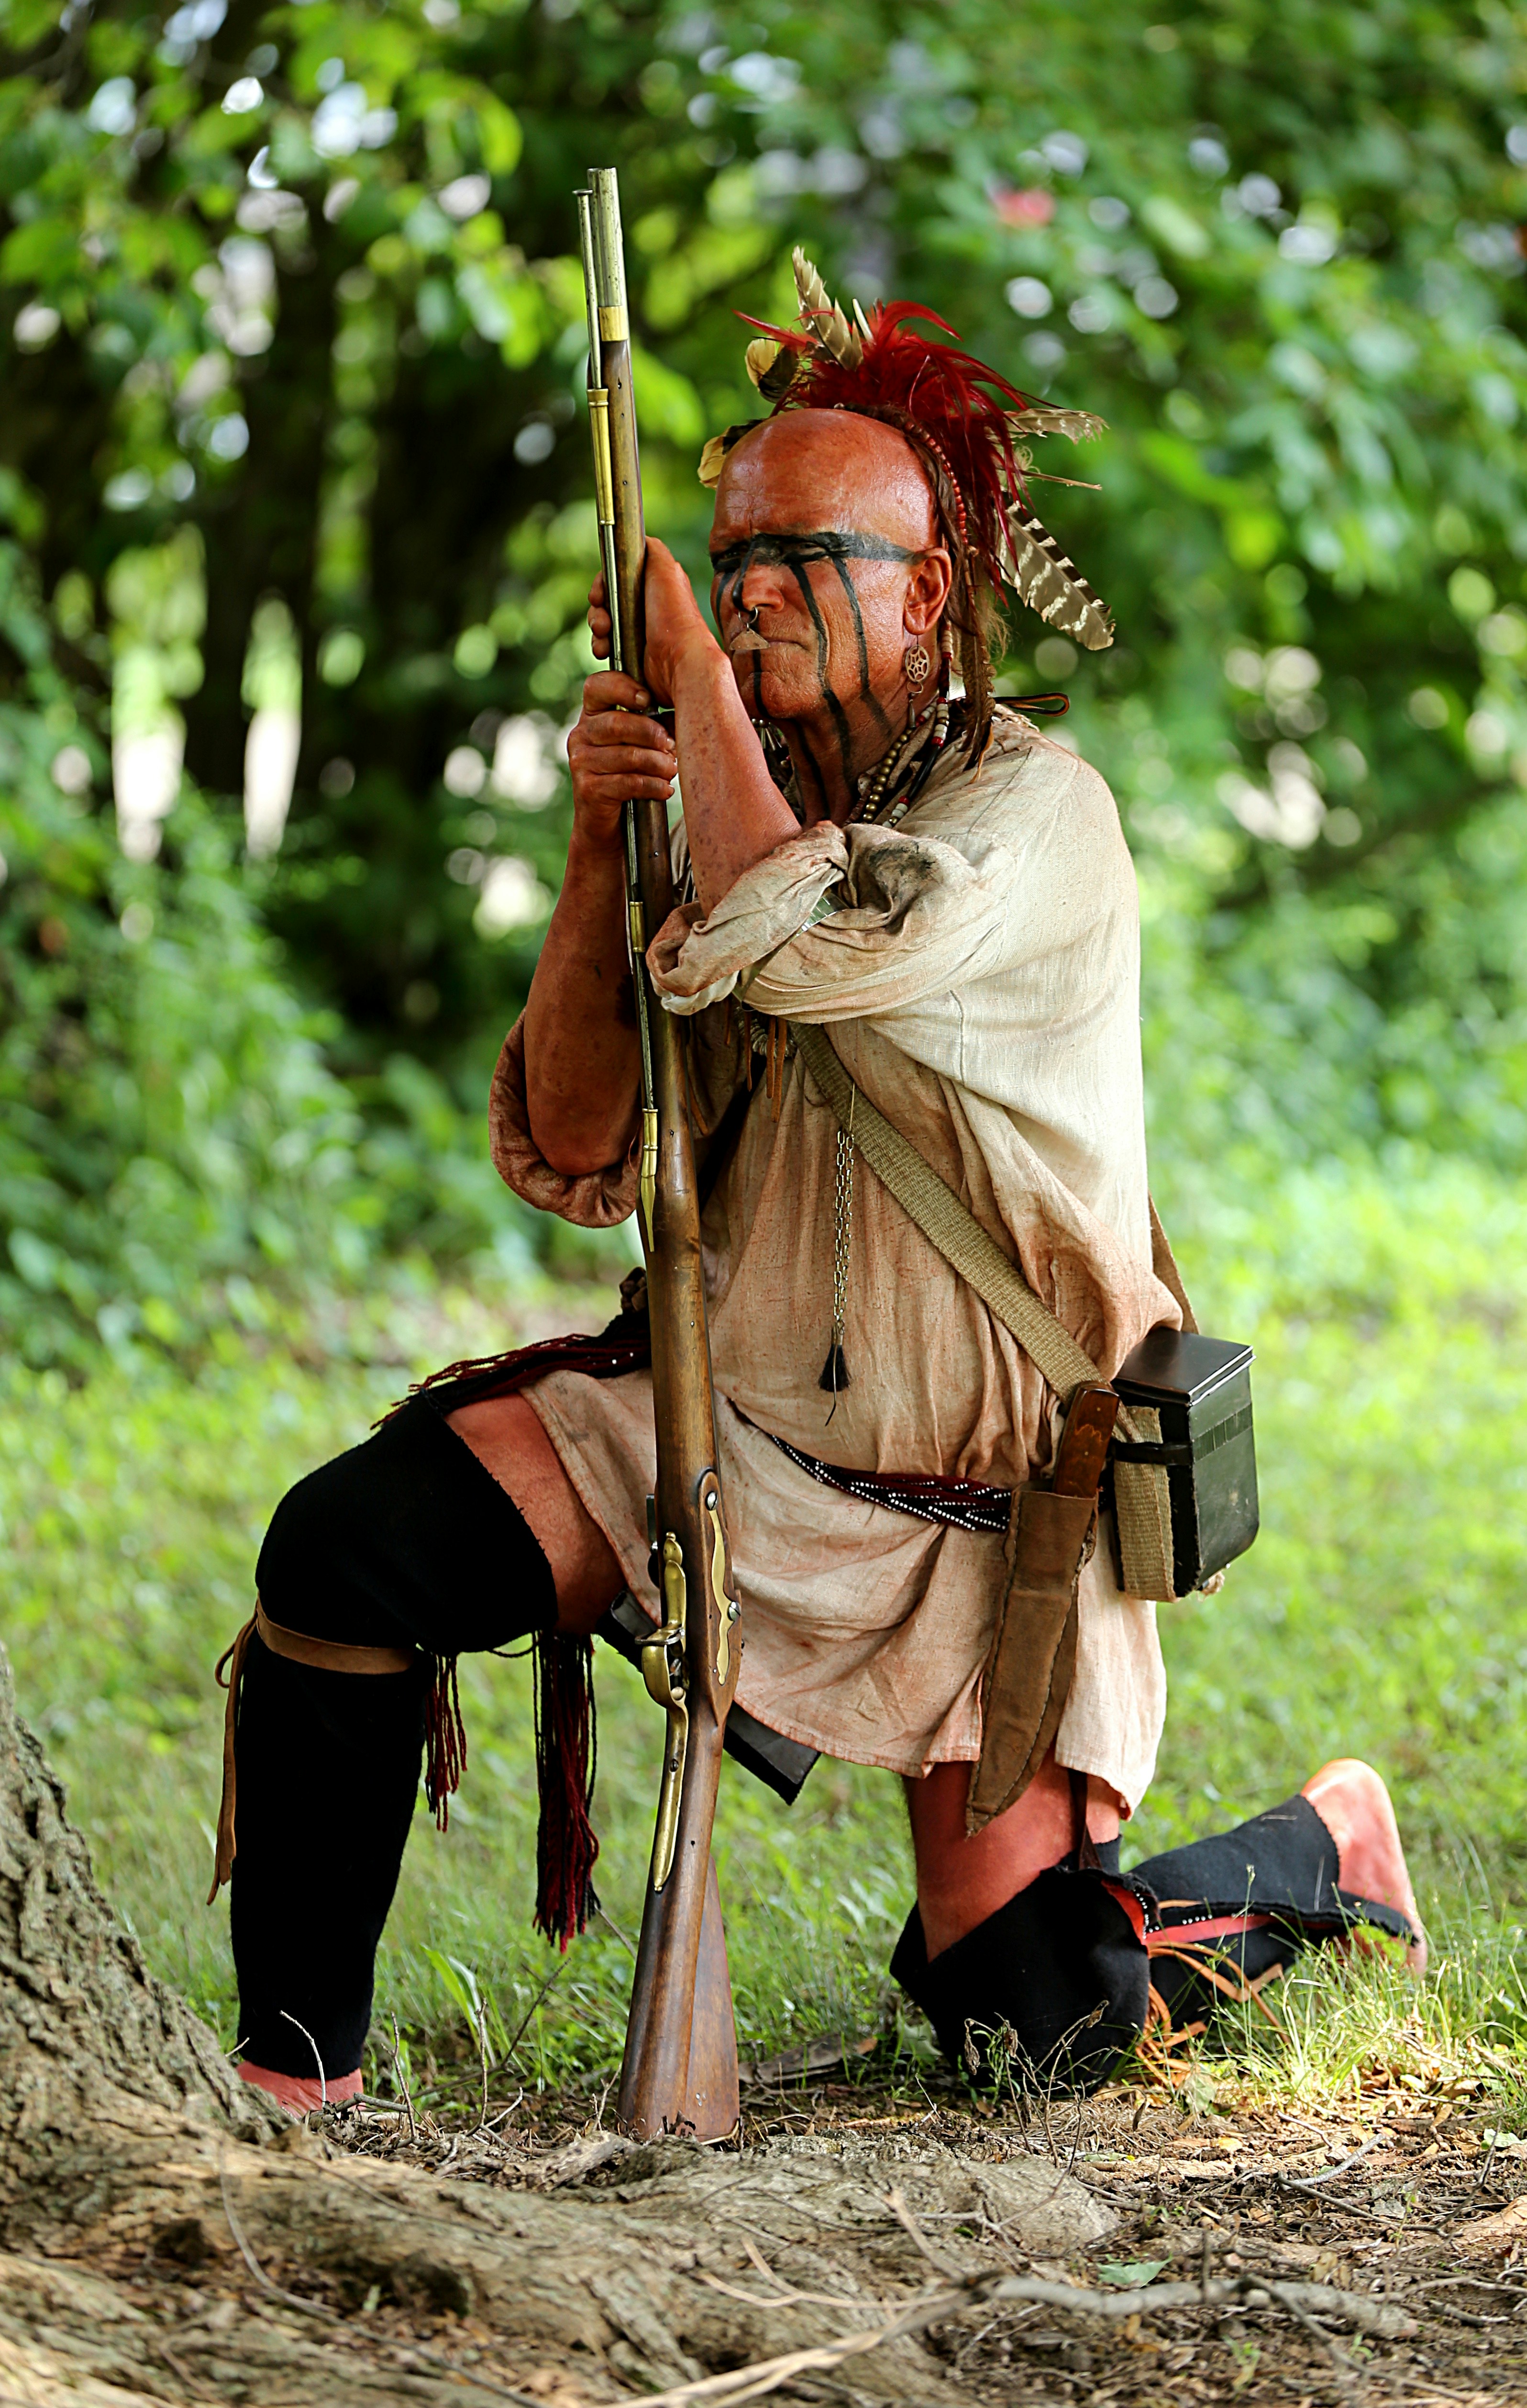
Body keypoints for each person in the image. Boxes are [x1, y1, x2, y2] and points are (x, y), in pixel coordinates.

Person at [211, 257, 1422, 2114]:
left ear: (930, 595)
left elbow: (818, 942)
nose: (756, 594)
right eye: (731, 559)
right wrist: (605, 840)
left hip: (996, 1513)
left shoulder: (1041, 819)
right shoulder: (717, 812)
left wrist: (686, 682)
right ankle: (294, 2084)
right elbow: (584, 1143)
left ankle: (1325, 1848)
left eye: (804, 564)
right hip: (726, 1427)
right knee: (344, 1547)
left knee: (1029, 2014)